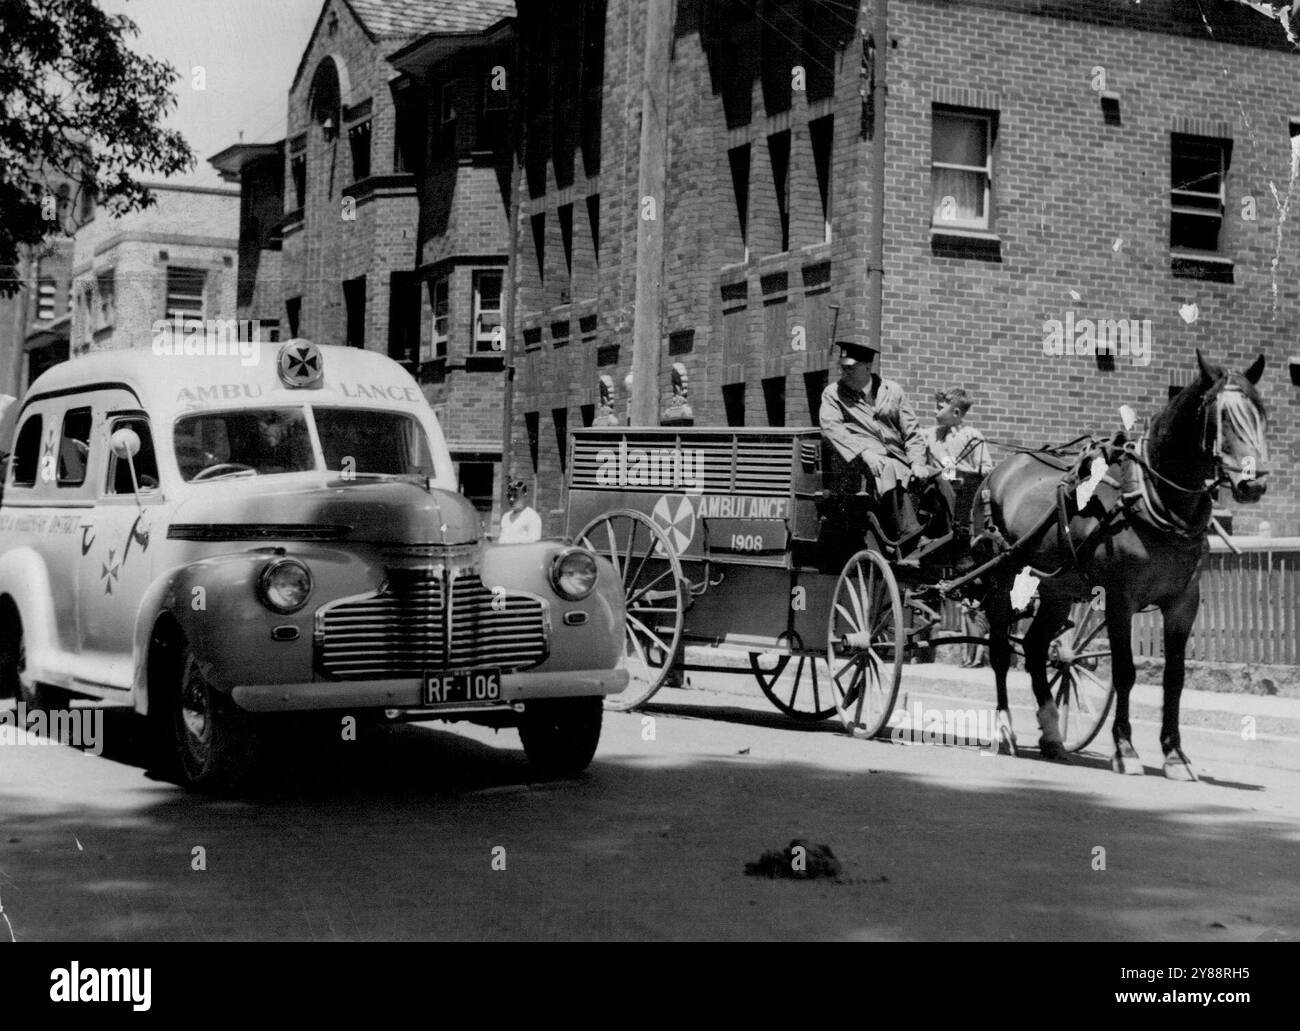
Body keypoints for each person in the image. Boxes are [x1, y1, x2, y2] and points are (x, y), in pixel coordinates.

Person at [819, 341, 949, 547]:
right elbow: (831, 428)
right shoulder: (833, 394)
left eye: (850, 367)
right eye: (841, 367)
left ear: (867, 367)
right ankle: (911, 537)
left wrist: (917, 462)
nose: (844, 372)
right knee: (889, 469)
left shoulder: (893, 391)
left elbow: (912, 432)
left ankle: (947, 539)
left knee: (939, 479)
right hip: (861, 464)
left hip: (901, 458)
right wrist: (863, 453)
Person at [498, 479, 542, 543]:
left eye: (515, 496)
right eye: (509, 496)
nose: (511, 499)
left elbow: (534, 546)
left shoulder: (532, 517)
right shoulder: (506, 517)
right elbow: (501, 541)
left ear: (524, 495)